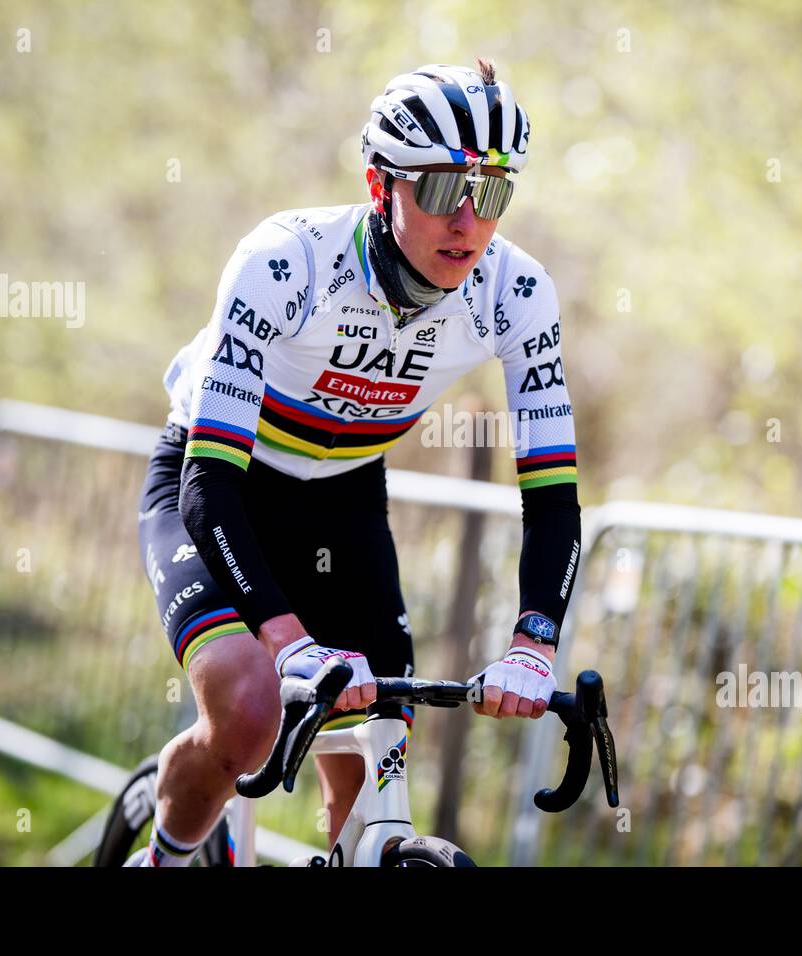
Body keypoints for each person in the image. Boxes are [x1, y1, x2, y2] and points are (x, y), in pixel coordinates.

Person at [129, 58, 581, 866]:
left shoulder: (516, 293)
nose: (469, 222)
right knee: (247, 706)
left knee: (372, 766)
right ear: (382, 185)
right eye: (444, 189)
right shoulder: (285, 261)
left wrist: (533, 642)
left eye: (493, 192)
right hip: (220, 484)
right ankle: (167, 849)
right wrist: (287, 639)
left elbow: (551, 495)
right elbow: (210, 484)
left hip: (343, 500)